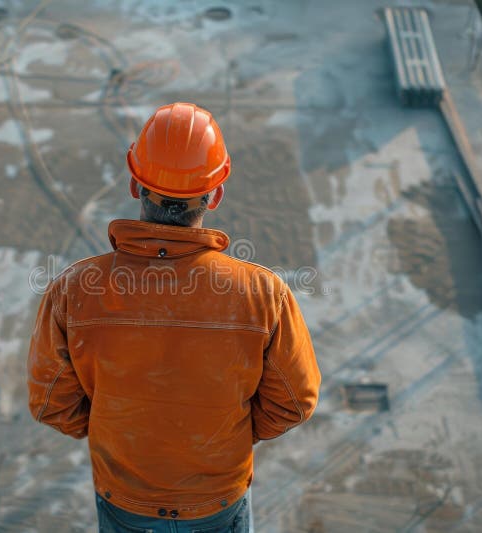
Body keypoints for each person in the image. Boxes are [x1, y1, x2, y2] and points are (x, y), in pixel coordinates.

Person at [27, 102, 321, 532]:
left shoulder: (75, 289)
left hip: (124, 496)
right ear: (215, 194)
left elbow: (50, 400)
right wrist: (225, 436)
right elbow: (294, 402)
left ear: (135, 184)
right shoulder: (262, 294)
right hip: (217, 499)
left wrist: (119, 435)